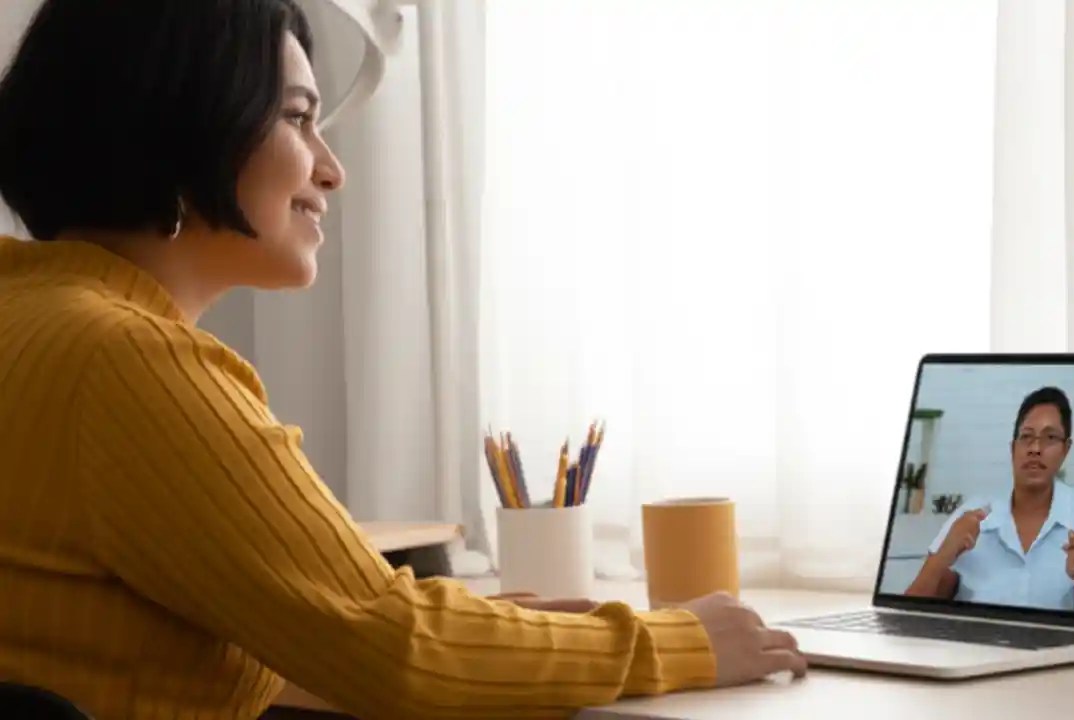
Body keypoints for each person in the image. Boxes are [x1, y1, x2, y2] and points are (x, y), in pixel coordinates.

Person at [0, 2, 805, 718]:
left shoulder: (28, 320)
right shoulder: (133, 363)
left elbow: (270, 629)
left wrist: (513, 635)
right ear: (183, 122)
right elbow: (391, 651)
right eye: (298, 116)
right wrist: (681, 643)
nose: (330, 167)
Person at [904, 387, 1074, 616]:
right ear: (1013, 448)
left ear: (1066, 449)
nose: (1035, 449)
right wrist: (942, 556)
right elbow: (907, 614)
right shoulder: (972, 514)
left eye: (1050, 438)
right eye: (1026, 436)